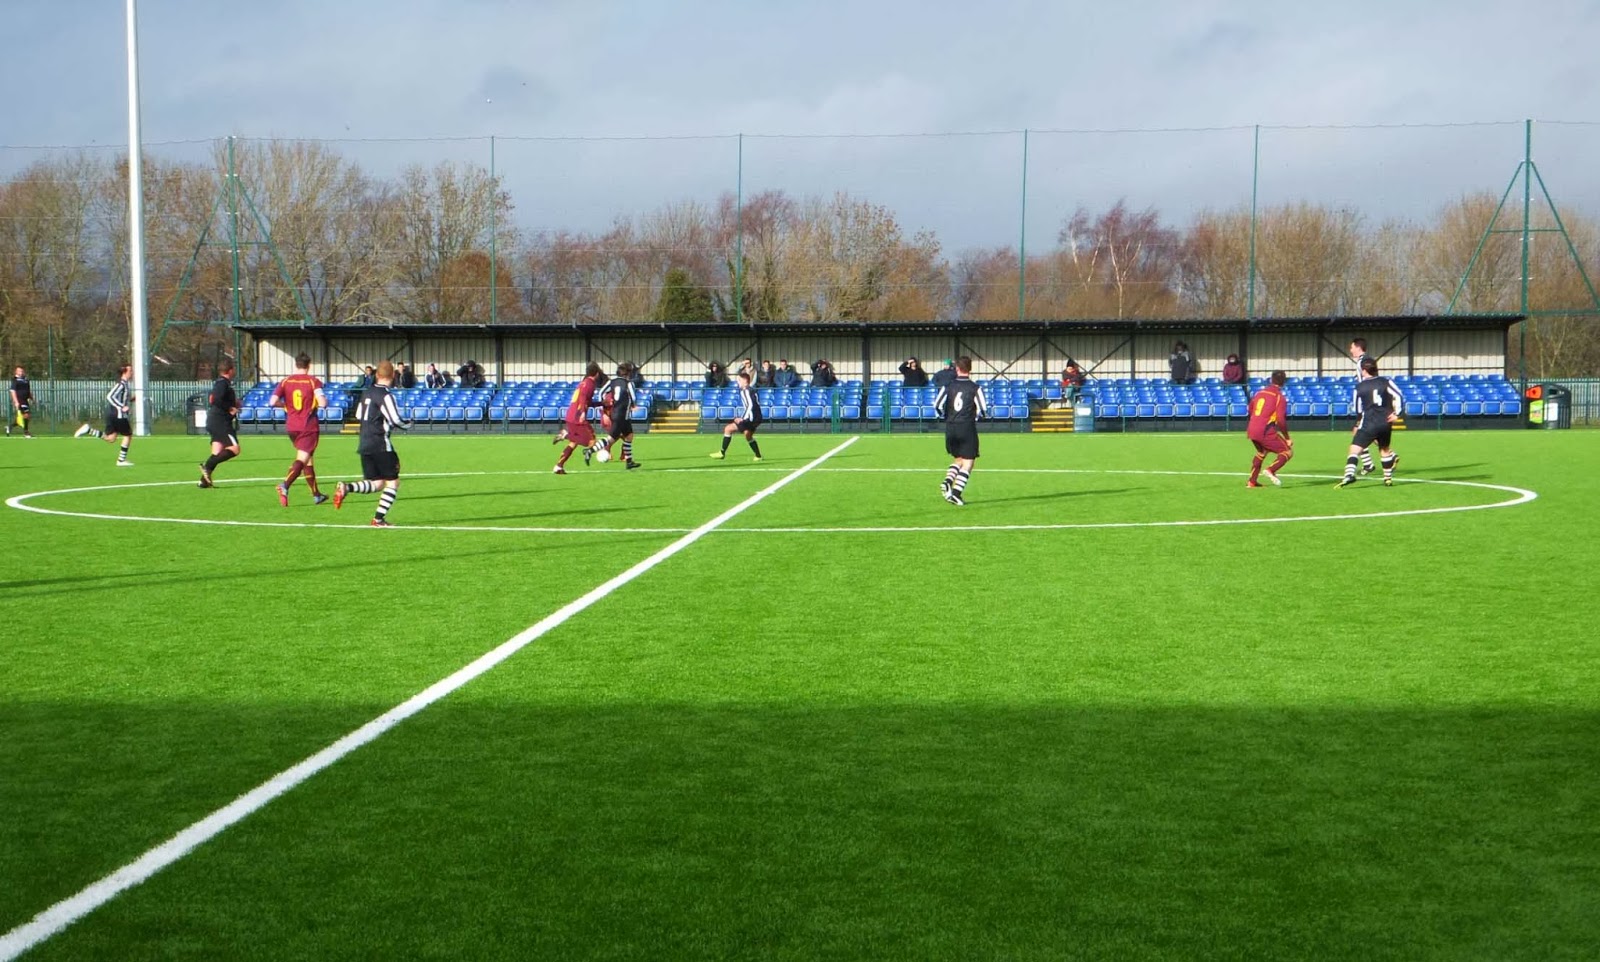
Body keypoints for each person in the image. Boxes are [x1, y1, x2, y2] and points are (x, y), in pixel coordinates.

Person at [334, 359, 409, 526]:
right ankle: (378, 519)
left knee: (377, 483)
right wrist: (408, 424)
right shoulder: (386, 395)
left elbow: (360, 415)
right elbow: (395, 419)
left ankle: (347, 488)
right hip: (380, 443)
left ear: (376, 375)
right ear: (393, 375)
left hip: (364, 442)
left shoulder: (366, 392)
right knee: (393, 482)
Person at [269, 351, 330, 507]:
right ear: (308, 366)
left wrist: (284, 406)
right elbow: (322, 403)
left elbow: (272, 401)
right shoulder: (313, 381)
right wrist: (324, 400)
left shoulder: (285, 381)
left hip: (291, 426)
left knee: (308, 460)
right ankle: (285, 485)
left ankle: (316, 495)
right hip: (307, 426)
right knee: (302, 459)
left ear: (296, 365)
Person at [1338, 358, 1404, 488]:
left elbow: (1357, 408)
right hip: (1385, 422)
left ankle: (1349, 474)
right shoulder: (1386, 382)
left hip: (1368, 422)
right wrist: (1397, 413)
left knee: (1354, 449)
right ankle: (1388, 479)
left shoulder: (1359, 387)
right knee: (1384, 449)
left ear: (1363, 370)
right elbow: (1399, 395)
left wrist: (1357, 423)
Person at [935, 356, 987, 506]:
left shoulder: (948, 386)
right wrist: (976, 417)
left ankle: (947, 481)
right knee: (969, 462)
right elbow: (983, 410)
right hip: (966, 427)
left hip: (950, 427)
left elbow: (937, 405)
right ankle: (956, 493)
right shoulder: (975, 388)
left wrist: (946, 417)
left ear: (957, 368)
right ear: (970, 369)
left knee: (958, 459)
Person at [73, 364, 135, 466]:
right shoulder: (121, 384)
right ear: (124, 372)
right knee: (128, 435)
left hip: (113, 413)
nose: (132, 373)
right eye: (130, 371)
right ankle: (121, 461)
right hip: (118, 414)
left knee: (111, 438)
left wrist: (131, 400)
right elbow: (110, 396)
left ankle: (89, 430)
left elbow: (122, 399)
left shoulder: (125, 384)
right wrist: (121, 407)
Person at [553, 362, 607, 475]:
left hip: (571, 415)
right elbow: (583, 398)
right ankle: (565, 435)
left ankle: (558, 466)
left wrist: (602, 403)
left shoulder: (583, 383)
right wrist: (582, 412)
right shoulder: (590, 384)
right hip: (578, 417)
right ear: (597, 373)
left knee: (574, 443)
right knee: (591, 441)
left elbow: (587, 401)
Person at [1245, 370, 1293, 488]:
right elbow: (1281, 420)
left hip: (1252, 428)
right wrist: (1287, 438)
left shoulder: (1260, 393)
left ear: (1271, 380)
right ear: (1283, 382)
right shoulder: (1279, 397)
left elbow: (1250, 409)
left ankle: (1252, 481)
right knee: (1287, 452)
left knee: (1261, 452)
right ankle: (1271, 470)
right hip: (1265, 430)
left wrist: (1256, 421)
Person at [197, 361, 240, 487]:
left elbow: (217, 398)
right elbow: (215, 399)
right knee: (235, 449)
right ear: (230, 370)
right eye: (234, 369)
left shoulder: (222, 383)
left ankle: (204, 481)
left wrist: (235, 403)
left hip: (215, 420)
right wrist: (230, 408)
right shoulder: (222, 383)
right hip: (220, 421)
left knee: (217, 453)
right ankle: (207, 466)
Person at [710, 369, 763, 462]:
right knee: (748, 435)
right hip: (757, 418)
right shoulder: (752, 390)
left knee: (728, 429)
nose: (738, 382)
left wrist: (742, 418)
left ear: (745, 381)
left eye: (739, 380)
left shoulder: (745, 391)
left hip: (751, 417)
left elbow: (750, 405)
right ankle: (758, 456)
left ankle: (722, 453)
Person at [599, 362, 641, 470]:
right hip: (622, 414)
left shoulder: (611, 382)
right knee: (614, 437)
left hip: (614, 413)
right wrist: (633, 405)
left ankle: (628, 461)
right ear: (627, 374)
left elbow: (600, 393)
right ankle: (592, 450)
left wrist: (603, 406)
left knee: (629, 435)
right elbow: (633, 397)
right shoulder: (628, 383)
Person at [1348, 337, 1376, 476]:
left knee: (1362, 433)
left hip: (1366, 403)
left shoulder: (1362, 362)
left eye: (1352, 347)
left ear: (1358, 347)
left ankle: (1390, 454)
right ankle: (1368, 464)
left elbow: (1365, 383)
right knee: (1360, 432)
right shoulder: (1366, 361)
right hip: (1369, 402)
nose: (1350, 350)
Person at [9, 365, 33, 438]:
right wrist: (16, 401)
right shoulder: (15, 380)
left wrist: (32, 398)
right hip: (19, 400)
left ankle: (10, 427)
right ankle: (26, 432)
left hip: (25, 401)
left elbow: (28, 391)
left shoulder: (26, 380)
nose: (21, 372)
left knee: (26, 417)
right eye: (19, 371)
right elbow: (12, 391)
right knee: (26, 415)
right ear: (16, 372)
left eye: (22, 371)